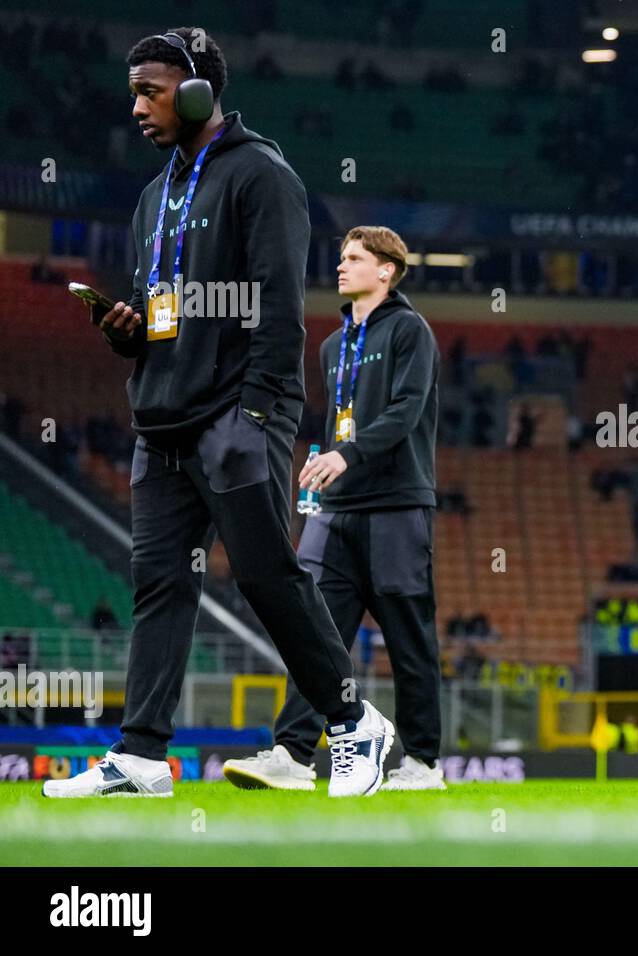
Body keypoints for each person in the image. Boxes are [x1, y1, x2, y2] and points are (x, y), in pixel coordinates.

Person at [51, 28, 392, 799]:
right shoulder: (154, 196)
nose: (136, 105)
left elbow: (279, 306)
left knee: (268, 576)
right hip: (162, 420)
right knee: (160, 584)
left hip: (240, 416)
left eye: (152, 89)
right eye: (133, 90)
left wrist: (260, 410)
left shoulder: (260, 177)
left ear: (200, 90)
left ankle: (354, 724)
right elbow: (168, 309)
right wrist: (132, 330)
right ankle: (140, 756)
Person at [224, 226, 445, 792]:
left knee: (408, 637)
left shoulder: (410, 332)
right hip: (337, 510)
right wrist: (321, 466)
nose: (341, 267)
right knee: (314, 633)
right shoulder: (331, 344)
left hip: (397, 506)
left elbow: (406, 412)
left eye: (354, 258)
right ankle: (294, 753)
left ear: (386, 270)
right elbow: (339, 421)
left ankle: (421, 762)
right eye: (342, 257)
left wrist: (345, 454)